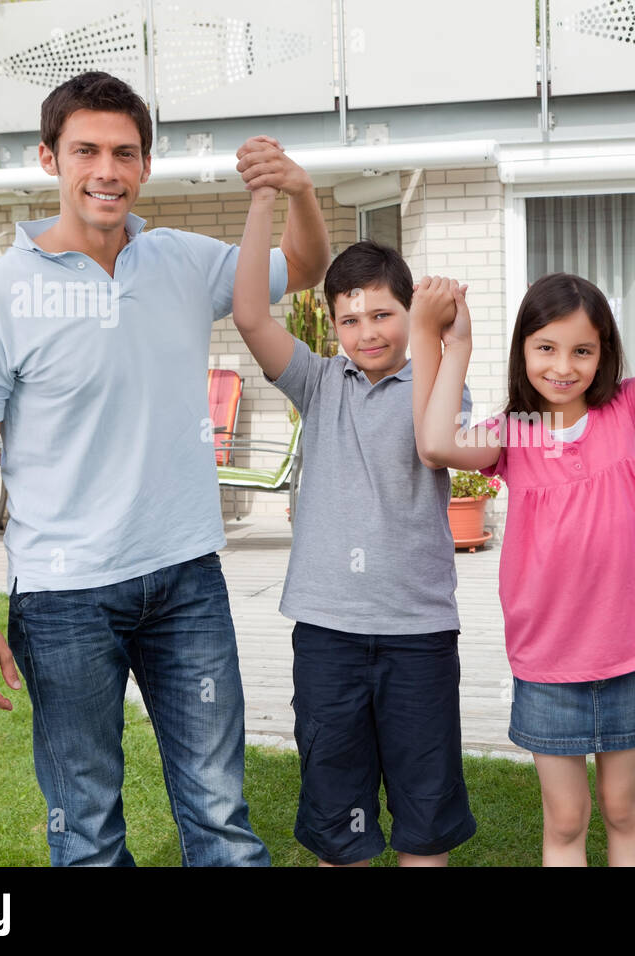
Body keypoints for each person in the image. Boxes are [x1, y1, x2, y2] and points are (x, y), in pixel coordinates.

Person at [0, 72, 331, 866]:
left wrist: (298, 189)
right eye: (86, 150)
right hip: (63, 597)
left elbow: (306, 263)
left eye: (124, 152)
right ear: (50, 158)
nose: (106, 170)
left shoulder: (186, 262)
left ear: (146, 166)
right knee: (86, 828)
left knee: (221, 815)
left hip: (187, 580)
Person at [411, 166, 635, 866]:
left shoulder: (626, 409)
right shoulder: (516, 434)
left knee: (625, 809)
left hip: (625, 653)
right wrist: (455, 347)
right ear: (524, 352)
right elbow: (437, 443)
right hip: (547, 664)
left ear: (604, 355)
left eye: (582, 351)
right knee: (565, 821)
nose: (563, 366)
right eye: (546, 348)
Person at [229, 147, 477, 867]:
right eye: (349, 320)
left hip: (417, 633)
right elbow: (250, 312)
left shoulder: (436, 385)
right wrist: (277, 194)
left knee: (423, 815)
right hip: (329, 634)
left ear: (411, 311)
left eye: (384, 314)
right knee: (342, 818)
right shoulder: (318, 382)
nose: (367, 332)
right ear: (331, 326)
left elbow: (436, 447)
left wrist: (439, 331)